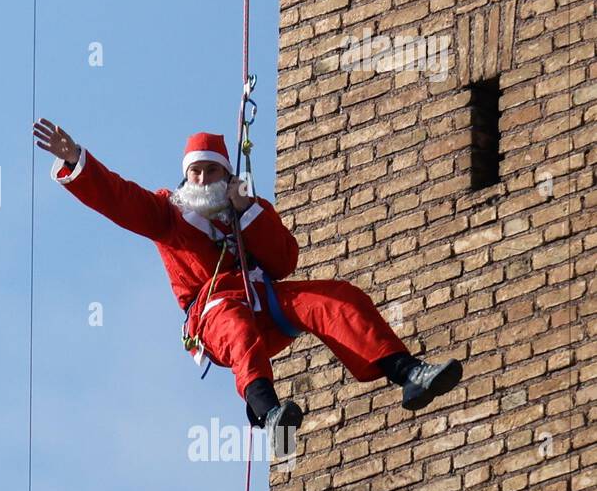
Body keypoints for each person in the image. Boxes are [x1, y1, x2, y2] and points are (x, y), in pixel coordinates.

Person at [32, 118, 463, 457]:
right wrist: (78, 159)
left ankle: (408, 372)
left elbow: (283, 261)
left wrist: (248, 211)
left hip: (266, 302)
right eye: (195, 171)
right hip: (215, 314)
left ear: (226, 174)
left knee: (335, 298)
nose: (202, 178)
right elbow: (120, 198)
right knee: (234, 323)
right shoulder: (168, 211)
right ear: (186, 177)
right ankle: (267, 411)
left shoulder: (247, 208)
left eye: (211, 170)